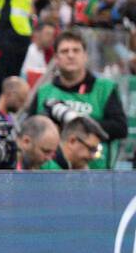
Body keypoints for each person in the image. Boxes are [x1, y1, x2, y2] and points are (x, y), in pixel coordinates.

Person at [26, 30, 128, 169]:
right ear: (56, 58)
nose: (70, 55)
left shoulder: (105, 88)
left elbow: (120, 128)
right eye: (64, 51)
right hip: (50, 175)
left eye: (76, 50)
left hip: (96, 174)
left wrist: (76, 125)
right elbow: (30, 133)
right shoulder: (44, 92)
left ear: (85, 56)